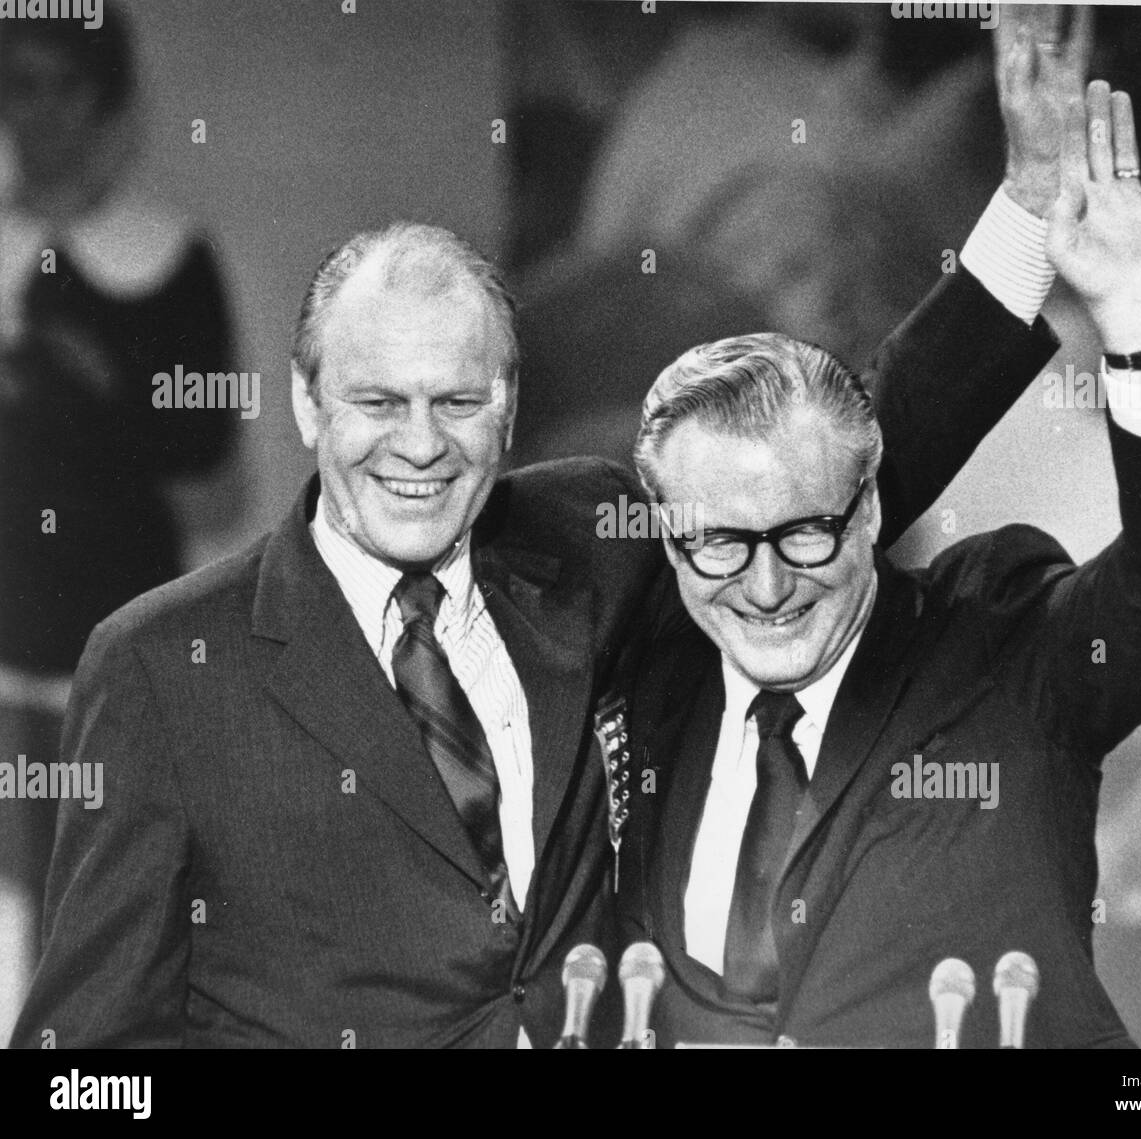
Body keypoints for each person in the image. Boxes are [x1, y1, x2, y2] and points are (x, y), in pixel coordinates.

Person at [11, 14, 1079, 1048]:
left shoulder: (585, 542)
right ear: (307, 407)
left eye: (458, 402)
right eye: (378, 402)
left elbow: (847, 455)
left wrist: (1026, 215)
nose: (419, 445)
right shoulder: (165, 665)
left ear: (510, 410)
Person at [615, 81, 1141, 1048]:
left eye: (806, 533)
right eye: (718, 543)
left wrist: (1137, 319)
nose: (766, 585)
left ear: (872, 507)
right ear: (670, 540)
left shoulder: (996, 647)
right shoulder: (634, 693)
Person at [0, 9, 237, 1044]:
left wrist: (98, 382)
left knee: (100, 925)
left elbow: (210, 486)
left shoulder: (170, 261)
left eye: (63, 85)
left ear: (108, 103)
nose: (38, 113)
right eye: (16, 84)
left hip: (110, 649)